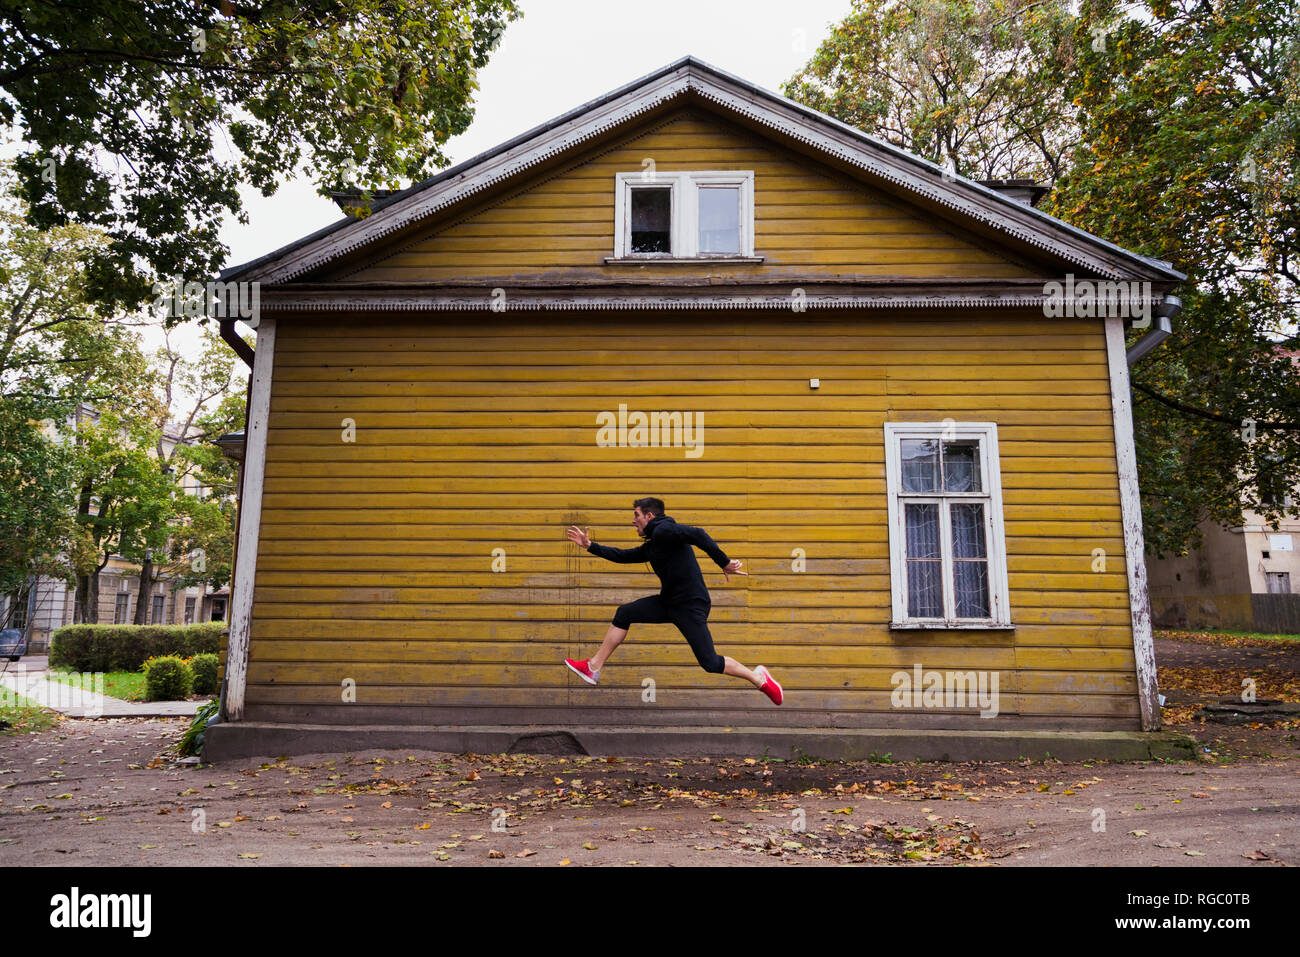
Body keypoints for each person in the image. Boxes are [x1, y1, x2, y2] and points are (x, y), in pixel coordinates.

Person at [563, 497, 783, 705]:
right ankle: (593, 667)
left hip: (689, 606)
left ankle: (760, 679)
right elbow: (624, 556)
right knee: (625, 613)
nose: (633, 520)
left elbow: (698, 534)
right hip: (669, 603)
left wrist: (723, 562)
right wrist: (590, 546)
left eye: (636, 515)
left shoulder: (664, 530)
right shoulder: (655, 543)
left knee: (710, 663)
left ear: (649, 516)